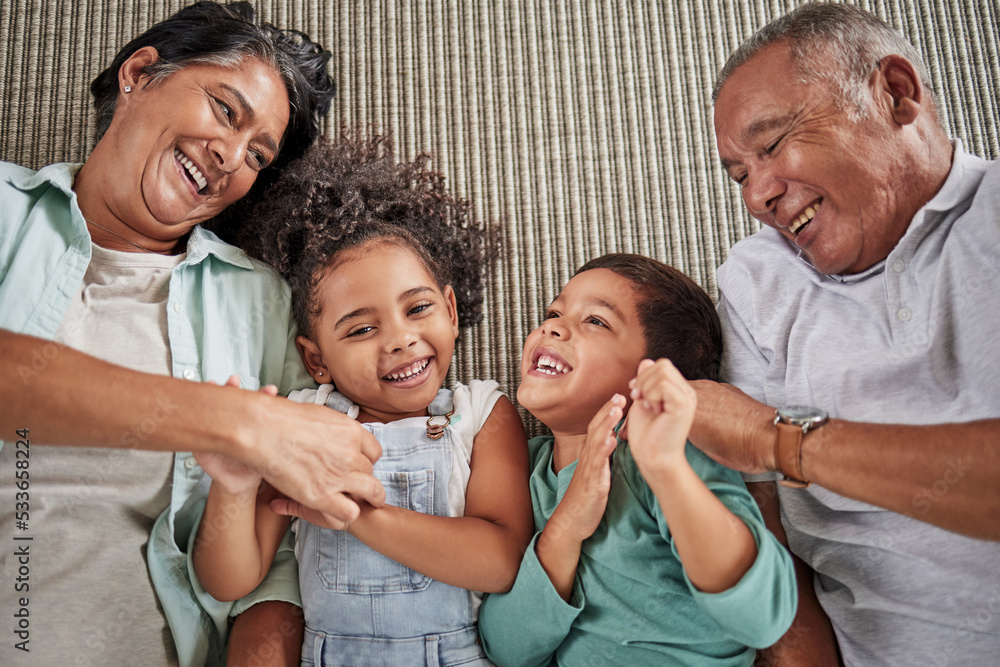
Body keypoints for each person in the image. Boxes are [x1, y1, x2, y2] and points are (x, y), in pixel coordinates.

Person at [0, 3, 386, 666]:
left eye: (257, 155)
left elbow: (281, 565)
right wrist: (238, 422)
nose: (231, 157)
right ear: (139, 73)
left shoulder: (266, 305)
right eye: (225, 110)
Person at [697, 3, 1000, 665]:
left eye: (772, 144)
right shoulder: (754, 283)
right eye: (740, 175)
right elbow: (767, 544)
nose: (756, 196)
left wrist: (776, 438)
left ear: (896, 92)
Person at [193, 133, 534, 666]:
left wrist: (354, 515)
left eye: (417, 308)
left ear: (450, 309)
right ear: (316, 360)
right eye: (361, 329)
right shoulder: (301, 423)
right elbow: (229, 581)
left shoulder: (482, 415)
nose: (399, 339)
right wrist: (232, 487)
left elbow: (502, 561)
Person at [477, 253, 797, 666]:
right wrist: (566, 527)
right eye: (554, 312)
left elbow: (763, 618)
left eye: (596, 321)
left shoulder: (670, 455)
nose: (552, 326)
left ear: (655, 378)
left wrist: (666, 469)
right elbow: (505, 650)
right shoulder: (518, 470)